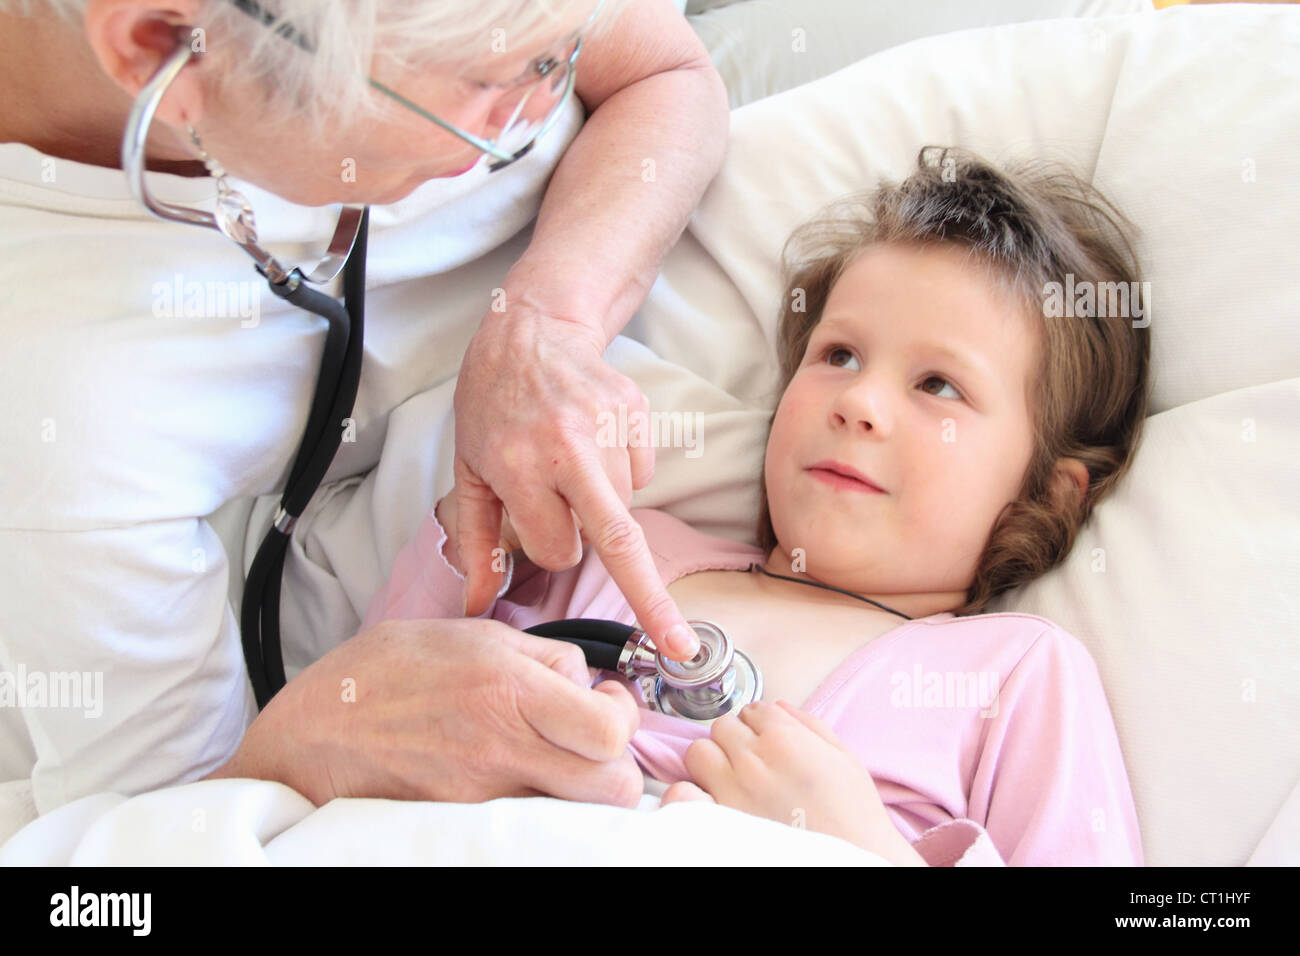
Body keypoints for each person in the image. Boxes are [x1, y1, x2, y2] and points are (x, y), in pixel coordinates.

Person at [0, 0, 729, 826]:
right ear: (164, 47)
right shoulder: (58, 422)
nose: (540, 104)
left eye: (560, 56)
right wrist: (317, 740)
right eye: (496, 82)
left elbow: (667, 70)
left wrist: (547, 318)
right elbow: (162, 835)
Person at [362, 147, 1151, 865]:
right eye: (838, 355)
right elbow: (376, 703)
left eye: (938, 384)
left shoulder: (1012, 677)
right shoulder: (614, 542)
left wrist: (857, 849)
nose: (860, 402)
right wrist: (478, 525)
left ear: (1047, 490)